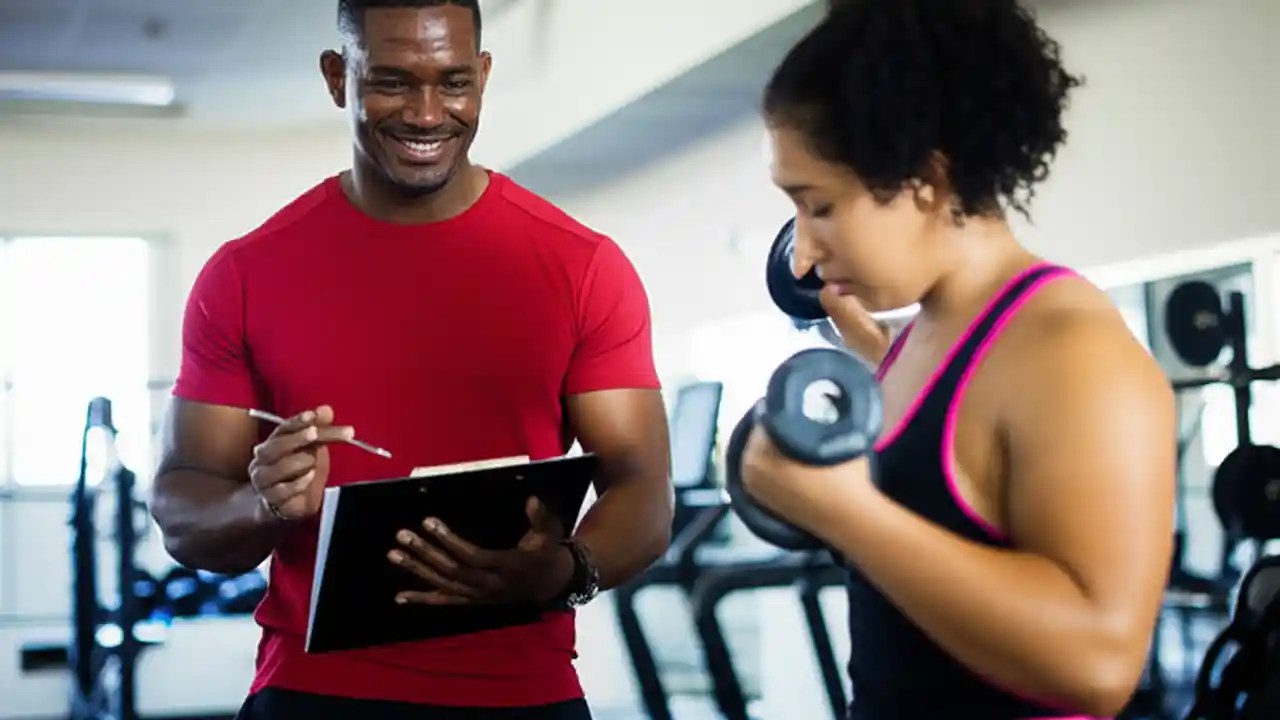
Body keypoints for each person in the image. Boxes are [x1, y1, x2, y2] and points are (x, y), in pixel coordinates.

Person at [148, 1, 674, 718]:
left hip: (522, 696)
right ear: (339, 78)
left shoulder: (583, 268)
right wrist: (260, 505)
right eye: (392, 82)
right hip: (312, 693)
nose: (428, 114)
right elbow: (183, 506)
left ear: (483, 77)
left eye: (452, 82)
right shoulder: (244, 275)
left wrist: (564, 570)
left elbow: (643, 488)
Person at [740, 1, 1176, 718]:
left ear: (926, 182)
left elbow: (1099, 665)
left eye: (817, 206)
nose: (804, 253)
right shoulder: (922, 336)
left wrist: (846, 514)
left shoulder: (1073, 352)